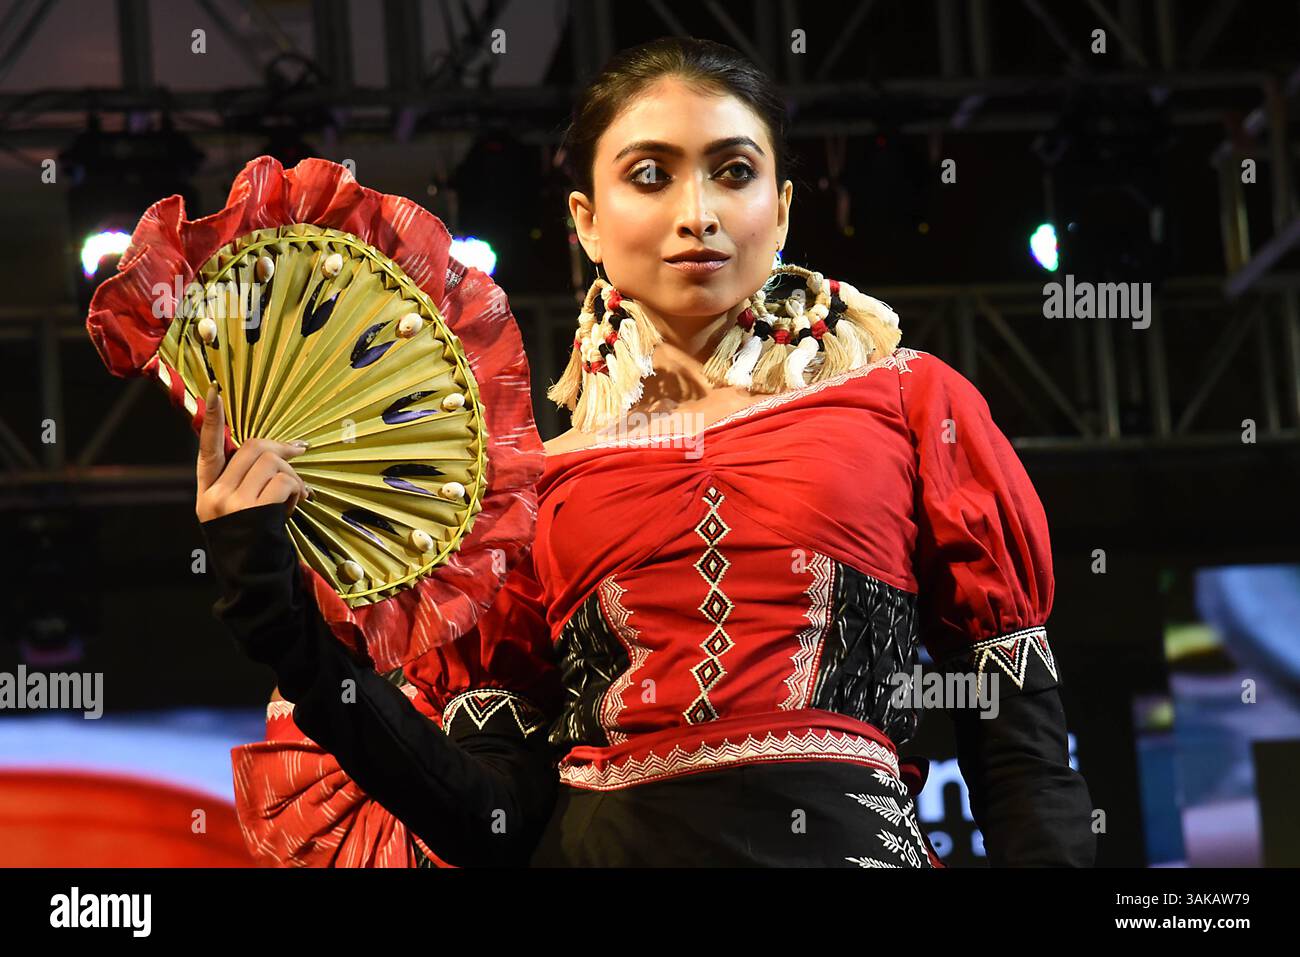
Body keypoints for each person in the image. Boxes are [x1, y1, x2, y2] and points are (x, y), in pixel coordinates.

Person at [199, 37, 1096, 867]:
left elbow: (1020, 753)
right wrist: (283, 623)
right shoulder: (526, 495)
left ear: (780, 207)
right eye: (651, 175)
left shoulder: (908, 402)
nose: (696, 213)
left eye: (734, 172)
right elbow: (493, 824)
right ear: (586, 221)